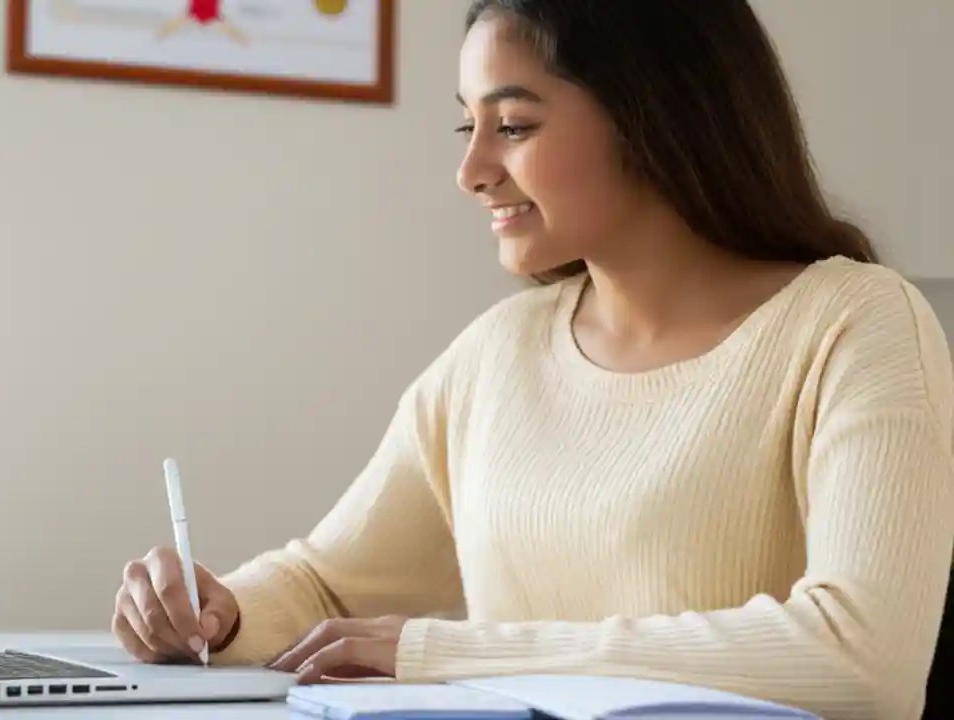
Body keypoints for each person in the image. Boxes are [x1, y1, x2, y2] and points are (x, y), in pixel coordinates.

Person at [113, 1, 954, 717]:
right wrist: (216, 615)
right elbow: (330, 590)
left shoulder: (853, 323)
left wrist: (445, 653)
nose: (471, 170)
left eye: (513, 125)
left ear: (657, 116)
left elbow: (863, 659)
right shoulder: (497, 354)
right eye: (467, 125)